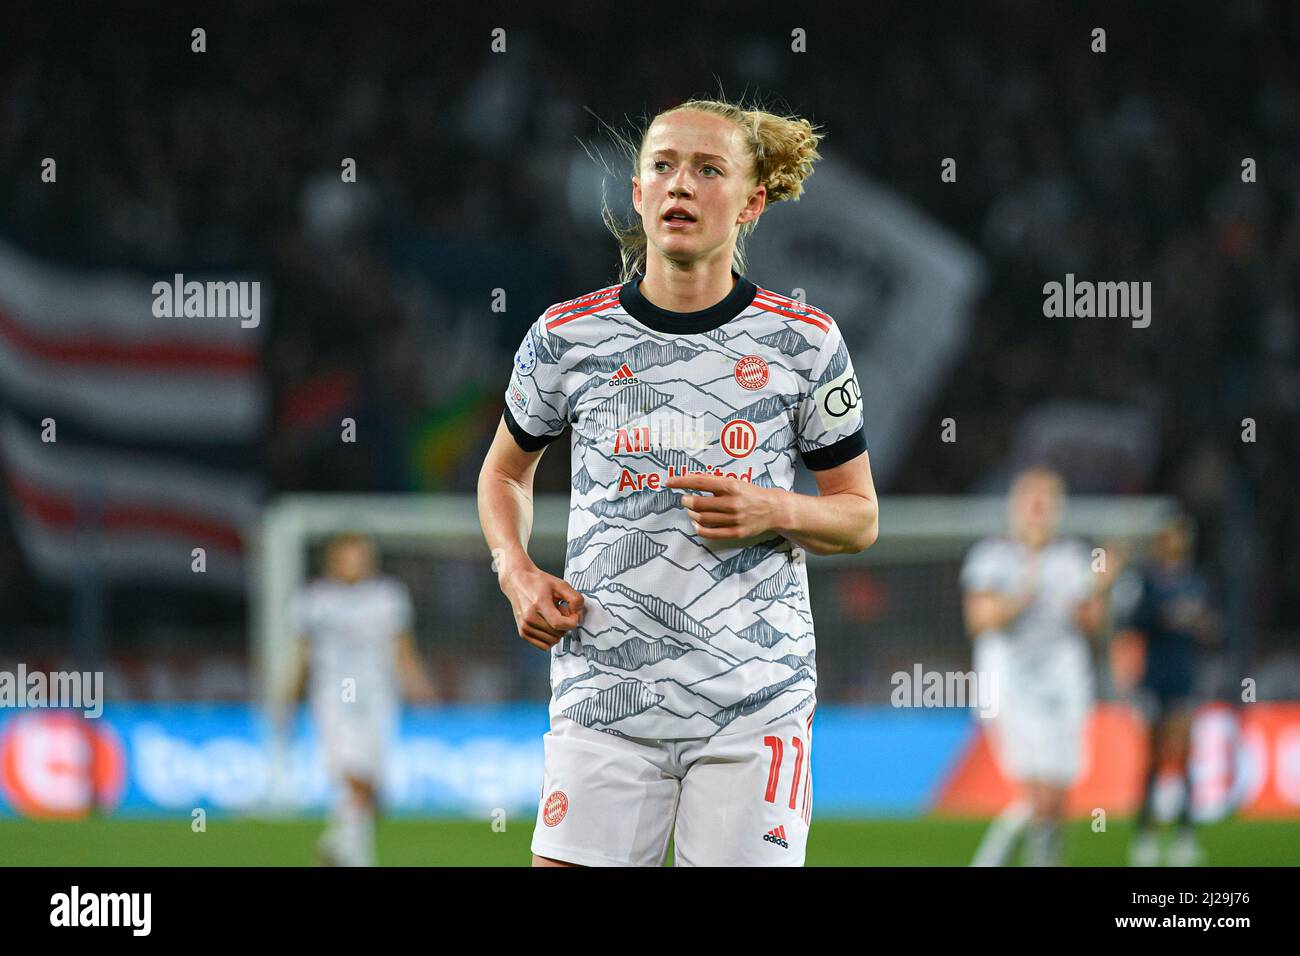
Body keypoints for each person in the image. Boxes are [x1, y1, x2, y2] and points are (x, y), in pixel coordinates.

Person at [477, 97, 878, 867]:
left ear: (752, 201)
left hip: (753, 707)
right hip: (604, 696)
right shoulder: (566, 337)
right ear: (637, 192)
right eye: (661, 166)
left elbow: (858, 518)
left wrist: (774, 506)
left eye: (707, 169)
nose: (679, 186)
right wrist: (516, 571)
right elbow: (503, 473)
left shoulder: (805, 342)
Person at [962, 467, 1120, 866]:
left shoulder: (1073, 558)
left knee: (1059, 791)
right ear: (1015, 507)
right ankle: (995, 856)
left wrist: (1100, 589)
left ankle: (1037, 857)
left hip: (1065, 682)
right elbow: (980, 620)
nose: (1036, 511)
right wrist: (1024, 591)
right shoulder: (992, 556)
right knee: (1036, 792)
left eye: (1045, 502)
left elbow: (1093, 626)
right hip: (1011, 683)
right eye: (1030, 501)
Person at [281, 532, 436, 866]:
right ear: (334, 560)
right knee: (355, 777)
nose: (358, 564)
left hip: (380, 698)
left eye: (363, 557)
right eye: (350, 556)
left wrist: (419, 686)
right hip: (334, 698)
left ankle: (336, 845)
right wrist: (289, 699)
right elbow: (303, 657)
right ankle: (359, 859)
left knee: (375, 791)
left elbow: (402, 650)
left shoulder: (388, 597)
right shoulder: (314, 600)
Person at [1115, 513, 1215, 867]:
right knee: (1155, 758)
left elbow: (1212, 627)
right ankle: (1145, 835)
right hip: (1155, 678)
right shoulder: (1148, 581)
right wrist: (1164, 616)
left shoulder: (1197, 581)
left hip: (1185, 677)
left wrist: (1201, 623)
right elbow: (1133, 622)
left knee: (1185, 756)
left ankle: (1185, 835)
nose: (1176, 543)